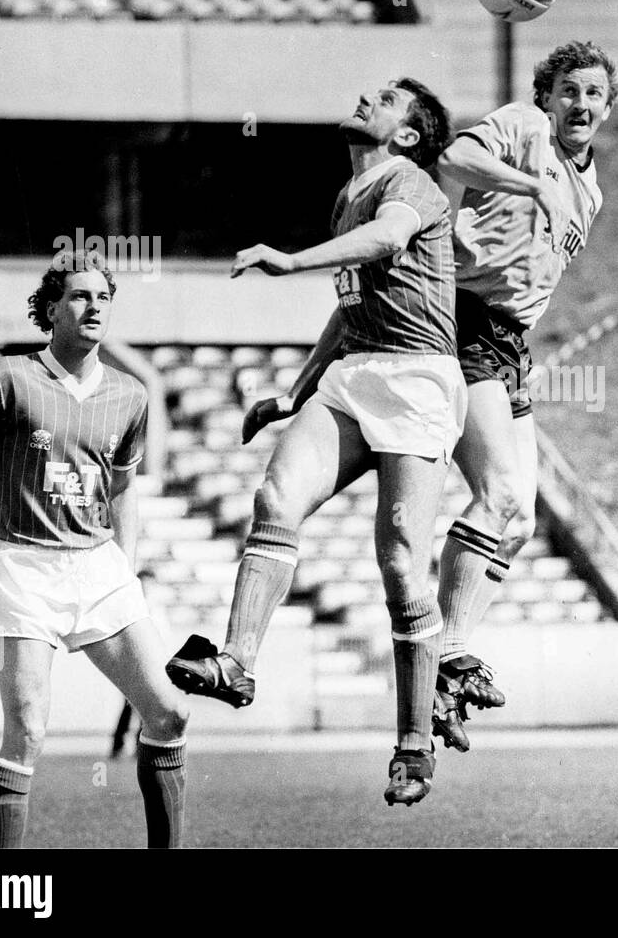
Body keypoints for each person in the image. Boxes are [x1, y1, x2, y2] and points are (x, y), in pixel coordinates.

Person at [164, 78, 461, 806]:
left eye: (388, 98)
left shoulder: (412, 184)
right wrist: (293, 395)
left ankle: (414, 743)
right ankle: (237, 661)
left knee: (397, 555)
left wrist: (292, 260)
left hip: (419, 376)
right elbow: (349, 308)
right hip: (354, 372)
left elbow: (389, 238)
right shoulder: (346, 192)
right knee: (276, 495)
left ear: (409, 134)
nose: (369, 96)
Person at [0, 259, 190, 848]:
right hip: (24, 568)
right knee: (27, 733)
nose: (93, 306)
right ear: (50, 311)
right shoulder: (8, 377)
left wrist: (124, 566)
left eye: (103, 296)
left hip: (99, 567)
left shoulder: (130, 394)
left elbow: (122, 489)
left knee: (170, 714)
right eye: (78, 296)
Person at [428, 40, 618, 751]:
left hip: (509, 347)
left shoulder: (591, 189)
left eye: (594, 93)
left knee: (521, 518)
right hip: (463, 323)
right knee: (500, 494)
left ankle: (451, 657)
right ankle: (442, 652)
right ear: (547, 96)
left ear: (607, 106)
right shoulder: (521, 127)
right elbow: (451, 161)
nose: (581, 104)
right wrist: (532, 185)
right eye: (569, 89)